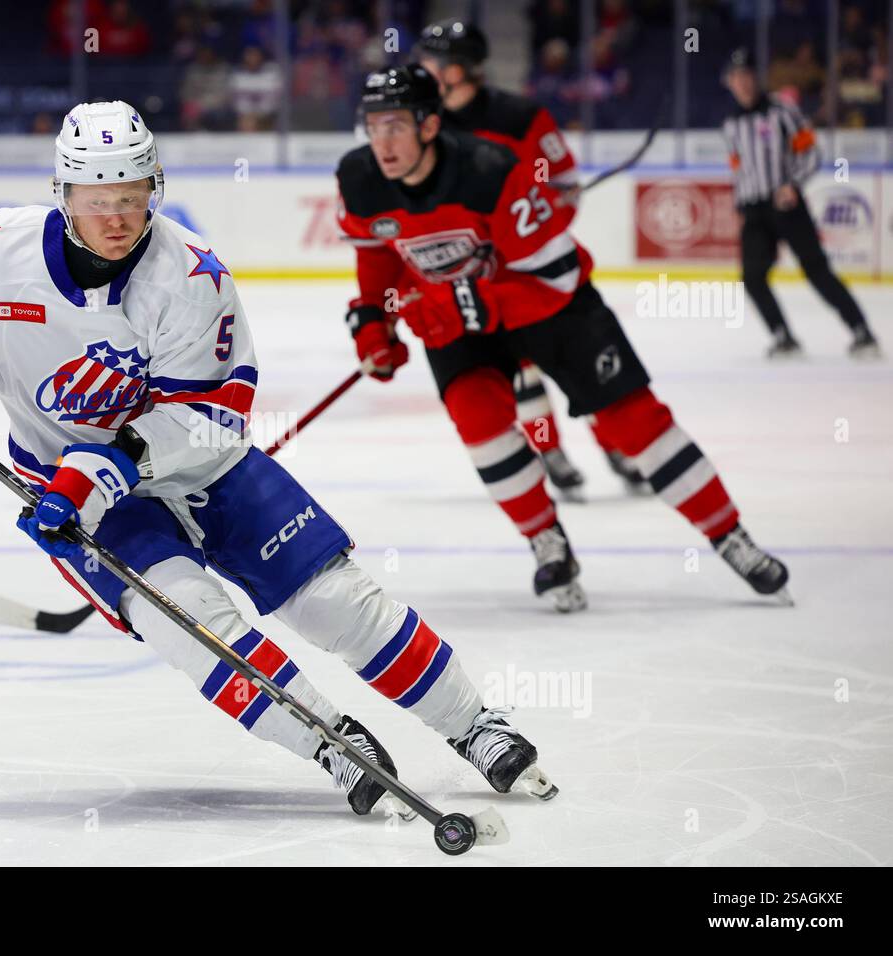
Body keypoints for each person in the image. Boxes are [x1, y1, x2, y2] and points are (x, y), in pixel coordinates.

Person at [0, 100, 558, 815]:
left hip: (202, 467)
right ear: (63, 192)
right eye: (98, 200)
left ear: (153, 188)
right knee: (188, 622)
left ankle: (476, 726)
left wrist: (106, 467)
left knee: (335, 601)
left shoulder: (189, 272)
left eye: (132, 198)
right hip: (76, 491)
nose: (117, 219)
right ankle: (330, 742)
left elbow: (210, 413)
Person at [337, 65, 792, 611]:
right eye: (373, 127)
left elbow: (557, 277)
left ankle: (730, 536)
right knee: (478, 422)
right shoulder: (359, 179)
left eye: (395, 127)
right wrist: (371, 320)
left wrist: (472, 300)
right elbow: (376, 253)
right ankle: (547, 543)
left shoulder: (489, 171)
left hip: (548, 305)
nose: (381, 143)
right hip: (461, 317)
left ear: (430, 125)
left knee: (634, 421)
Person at [416, 20, 647, 498]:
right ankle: (552, 450)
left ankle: (616, 444)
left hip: (534, 275)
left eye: (432, 63)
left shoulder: (518, 118)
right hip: (480, 282)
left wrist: (528, 227)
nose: (422, 70)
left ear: (459, 70)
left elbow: (562, 186)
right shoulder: (429, 126)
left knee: (578, 365)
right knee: (522, 370)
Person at [722, 47, 880, 359]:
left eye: (748, 76)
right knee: (752, 277)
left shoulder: (783, 111)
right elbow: (739, 168)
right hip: (753, 209)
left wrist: (792, 185)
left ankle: (862, 331)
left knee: (816, 270)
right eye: (737, 77)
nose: (743, 83)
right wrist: (740, 206)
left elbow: (810, 153)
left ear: (757, 78)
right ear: (729, 82)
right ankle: (783, 337)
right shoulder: (730, 125)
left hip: (786, 204)